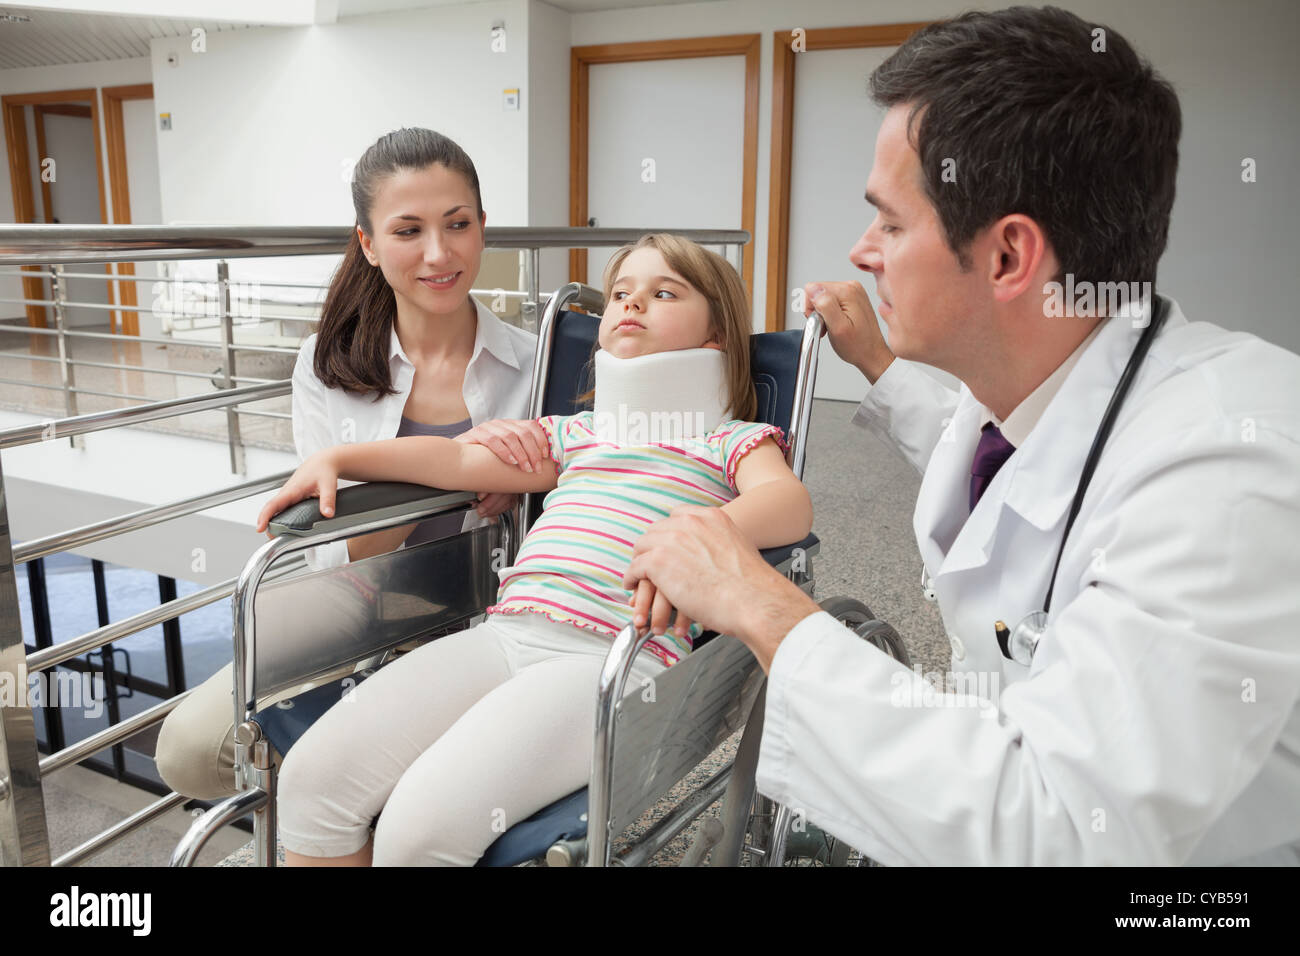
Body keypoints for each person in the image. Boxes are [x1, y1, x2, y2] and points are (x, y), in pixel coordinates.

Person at [621, 6, 1300, 865]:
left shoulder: (1231, 468)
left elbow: (1059, 829)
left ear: (1011, 257)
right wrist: (877, 364)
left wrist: (761, 603)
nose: (864, 251)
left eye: (892, 223)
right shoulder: (1052, 376)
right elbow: (996, 457)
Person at [252, 234, 813, 865]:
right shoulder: (577, 432)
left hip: (611, 664)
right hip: (506, 635)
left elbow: (789, 504)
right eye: (622, 294)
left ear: (716, 340)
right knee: (310, 782)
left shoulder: (730, 439)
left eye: (663, 293)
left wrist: (699, 537)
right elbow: (457, 457)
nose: (630, 305)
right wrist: (339, 456)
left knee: (417, 832)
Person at [155, 128, 539, 800]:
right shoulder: (325, 367)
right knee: (191, 751)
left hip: (487, 609)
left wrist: (526, 487)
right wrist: (458, 472)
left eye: (458, 225)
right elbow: (343, 549)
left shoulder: (537, 365)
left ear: (483, 228)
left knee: (413, 781)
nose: (438, 253)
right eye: (408, 230)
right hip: (358, 596)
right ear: (367, 243)